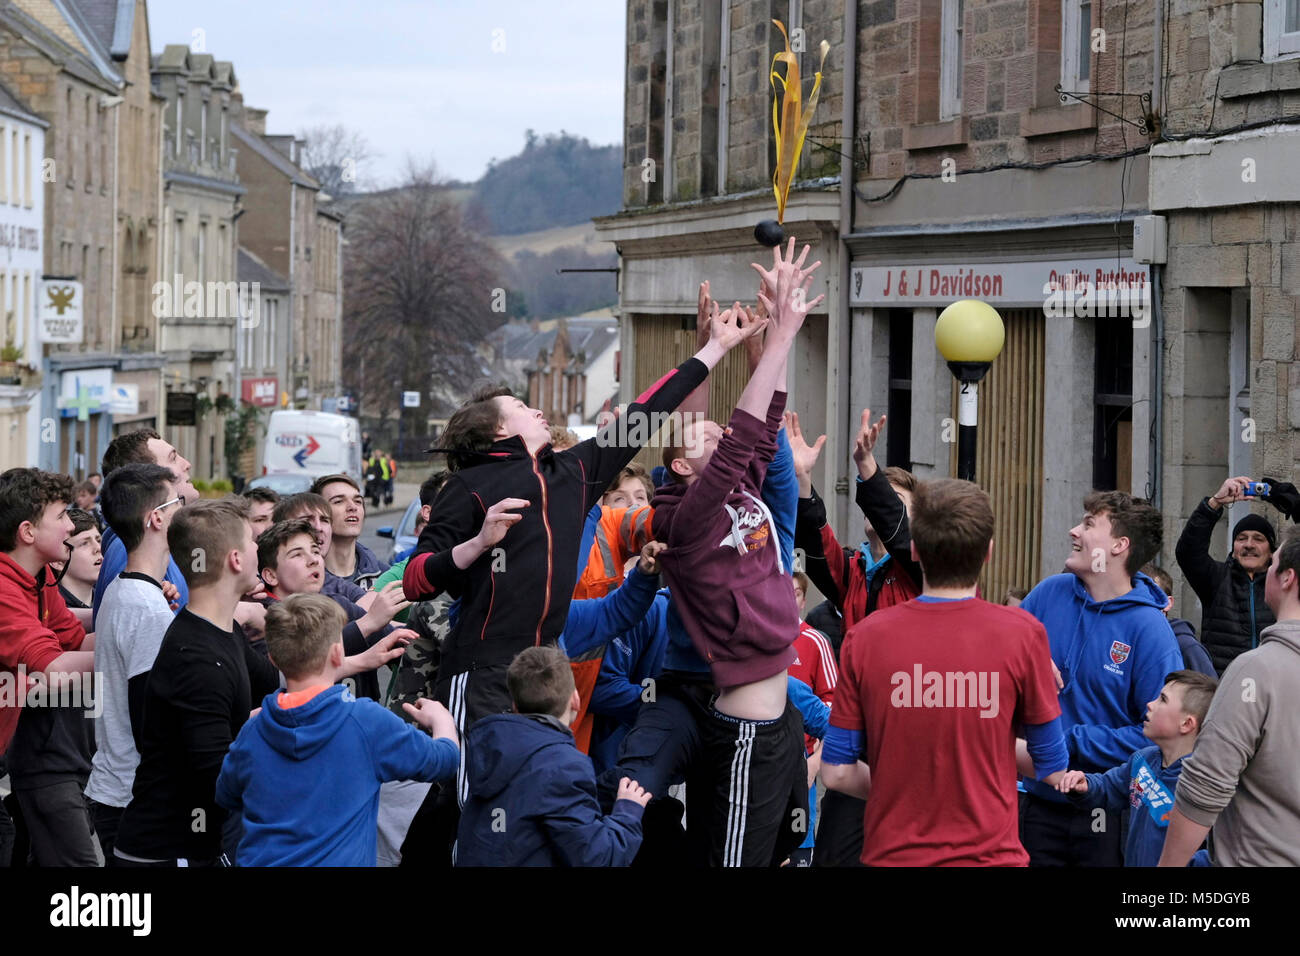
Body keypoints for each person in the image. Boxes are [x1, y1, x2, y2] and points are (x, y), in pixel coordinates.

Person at [399, 270, 762, 868]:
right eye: (521, 406)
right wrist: (477, 543)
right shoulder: (469, 487)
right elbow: (417, 579)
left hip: (543, 673)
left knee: (535, 812)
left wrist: (714, 349)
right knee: (470, 811)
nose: (537, 408)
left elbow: (646, 412)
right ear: (498, 430)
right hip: (483, 671)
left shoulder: (573, 474)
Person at [649, 240, 822, 867]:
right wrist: (777, 337)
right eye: (707, 434)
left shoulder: (732, 487)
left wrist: (732, 349)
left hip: (777, 721)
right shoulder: (683, 520)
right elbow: (730, 442)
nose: (722, 431)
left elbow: (761, 426)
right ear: (676, 465)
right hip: (744, 727)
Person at [112, 499, 407, 867]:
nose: (259, 546)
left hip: (201, 843)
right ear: (236, 560)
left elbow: (275, 681)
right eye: (253, 541)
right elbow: (220, 778)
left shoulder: (223, 629)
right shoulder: (197, 658)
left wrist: (358, 661)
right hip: (167, 853)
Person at [823, 478, 1068, 865]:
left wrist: (897, 786)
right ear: (988, 552)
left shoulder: (865, 638)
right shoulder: (1025, 634)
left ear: (915, 550)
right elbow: (1051, 763)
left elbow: (835, 773)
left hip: (894, 855)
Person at [215, 594, 460, 866]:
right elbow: (444, 761)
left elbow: (227, 794)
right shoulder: (365, 722)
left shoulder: (253, 730)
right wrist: (442, 721)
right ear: (337, 654)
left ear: (272, 659)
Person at [1017, 491, 1184, 867]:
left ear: (1119, 546)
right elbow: (987, 658)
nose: (1074, 531)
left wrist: (1068, 742)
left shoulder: (1150, 630)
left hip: (1104, 816)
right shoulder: (1048, 594)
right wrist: (1023, 658)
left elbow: (1159, 737)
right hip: (1034, 804)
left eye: (1090, 524)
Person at [1160, 525, 1300, 866]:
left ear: (1287, 578)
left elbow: (1204, 787)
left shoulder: (1255, 669)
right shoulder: (1220, 581)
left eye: (1274, 559)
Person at [455, 645, 651, 866]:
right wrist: (627, 812)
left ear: (514, 705)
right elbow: (597, 858)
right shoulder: (565, 767)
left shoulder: (488, 747)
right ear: (575, 700)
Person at [0, 468, 97, 866]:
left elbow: (74, 641)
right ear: (27, 532)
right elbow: (53, 669)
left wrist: (138, 617)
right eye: (61, 516)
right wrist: (137, 652)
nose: (70, 525)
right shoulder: (4, 587)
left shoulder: (39, 578)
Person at [84, 463, 181, 858]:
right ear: (156, 518)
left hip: (119, 793)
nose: (185, 511)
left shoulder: (132, 594)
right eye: (178, 503)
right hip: (135, 800)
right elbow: (151, 723)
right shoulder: (146, 608)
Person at [1055, 670, 1218, 867]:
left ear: (1186, 724)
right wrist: (1086, 785)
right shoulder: (1144, 759)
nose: (1150, 704)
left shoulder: (1204, 785)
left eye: (1163, 700)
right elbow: (1109, 787)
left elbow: (1217, 852)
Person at [257, 517, 409, 702]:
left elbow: (397, 641)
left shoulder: (337, 604)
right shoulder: (259, 618)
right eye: (297, 554)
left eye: (315, 551)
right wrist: (368, 623)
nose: (313, 560)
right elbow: (302, 660)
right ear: (271, 575)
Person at [1175, 476, 1284, 674]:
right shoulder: (1216, 578)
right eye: (1242, 538)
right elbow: (1188, 552)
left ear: (1271, 550)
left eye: (1258, 539)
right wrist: (1214, 503)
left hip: (1273, 685)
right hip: (1224, 686)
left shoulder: (1284, 583)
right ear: (1233, 549)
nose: (1249, 544)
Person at [92, 428, 197, 628]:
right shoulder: (128, 551)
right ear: (146, 479)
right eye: (173, 459)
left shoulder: (160, 542)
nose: (186, 464)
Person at [788, 571, 835, 866]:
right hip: (760, 764)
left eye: (795, 592)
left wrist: (815, 762)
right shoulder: (755, 641)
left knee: (798, 841)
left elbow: (832, 707)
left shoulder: (816, 641)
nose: (788, 599)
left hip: (801, 761)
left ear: (804, 600)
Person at [310, 474, 388, 586]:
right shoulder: (305, 579)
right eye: (338, 501)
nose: (352, 507)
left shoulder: (384, 577)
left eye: (358, 501)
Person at [1142, 564, 1216, 677]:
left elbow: (1210, 691)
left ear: (1168, 603)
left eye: (1148, 598)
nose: (1139, 606)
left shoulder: (1187, 648)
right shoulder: (1123, 640)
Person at [52, 508, 102, 630]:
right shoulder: (48, 612)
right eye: (84, 543)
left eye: (98, 540)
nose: (98, 548)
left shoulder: (106, 599)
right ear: (58, 561)